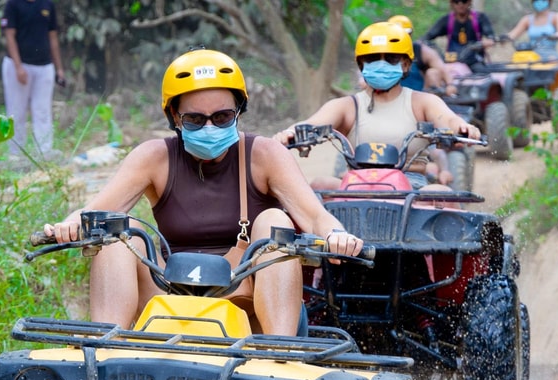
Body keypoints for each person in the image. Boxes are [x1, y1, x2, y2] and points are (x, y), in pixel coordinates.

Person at [43, 49, 363, 336]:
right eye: (195, 119)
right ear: (173, 117)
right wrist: (69, 225)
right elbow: (95, 211)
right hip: (168, 295)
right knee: (119, 230)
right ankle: (105, 355)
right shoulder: (153, 157)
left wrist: (336, 235)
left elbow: (314, 215)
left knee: (275, 220)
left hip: (247, 300)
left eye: (222, 117)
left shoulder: (264, 154)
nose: (210, 128)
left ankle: (278, 355)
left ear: (238, 112)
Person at [273, 22, 481, 191]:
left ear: (406, 64)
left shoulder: (422, 102)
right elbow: (312, 123)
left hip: (412, 187)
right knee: (319, 185)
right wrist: (291, 133)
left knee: (440, 193)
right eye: (372, 59)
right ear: (361, 65)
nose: (381, 64)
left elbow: (447, 119)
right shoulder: (347, 106)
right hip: (355, 186)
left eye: (391, 59)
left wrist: (462, 127)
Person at [0, 0, 66, 161]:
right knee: (16, 111)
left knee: (42, 110)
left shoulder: (47, 5)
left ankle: (44, 151)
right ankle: (15, 154)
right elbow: (10, 36)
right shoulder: (13, 5)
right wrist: (18, 67)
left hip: (44, 66)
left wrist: (59, 68)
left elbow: (52, 37)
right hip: (18, 65)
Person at [388, 15, 454, 95]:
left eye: (405, 35)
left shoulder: (420, 50)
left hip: (418, 96)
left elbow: (442, 68)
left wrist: (450, 85)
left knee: (433, 73)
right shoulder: (382, 53)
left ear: (410, 34)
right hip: (390, 95)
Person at [423, 0, 496, 71]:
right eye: (456, 1)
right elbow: (428, 36)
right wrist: (420, 44)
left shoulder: (480, 18)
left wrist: (487, 42)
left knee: (483, 74)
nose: (460, 4)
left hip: (474, 62)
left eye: (464, 1)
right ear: (451, 3)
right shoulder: (446, 20)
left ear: (469, 2)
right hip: (451, 62)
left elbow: (490, 36)